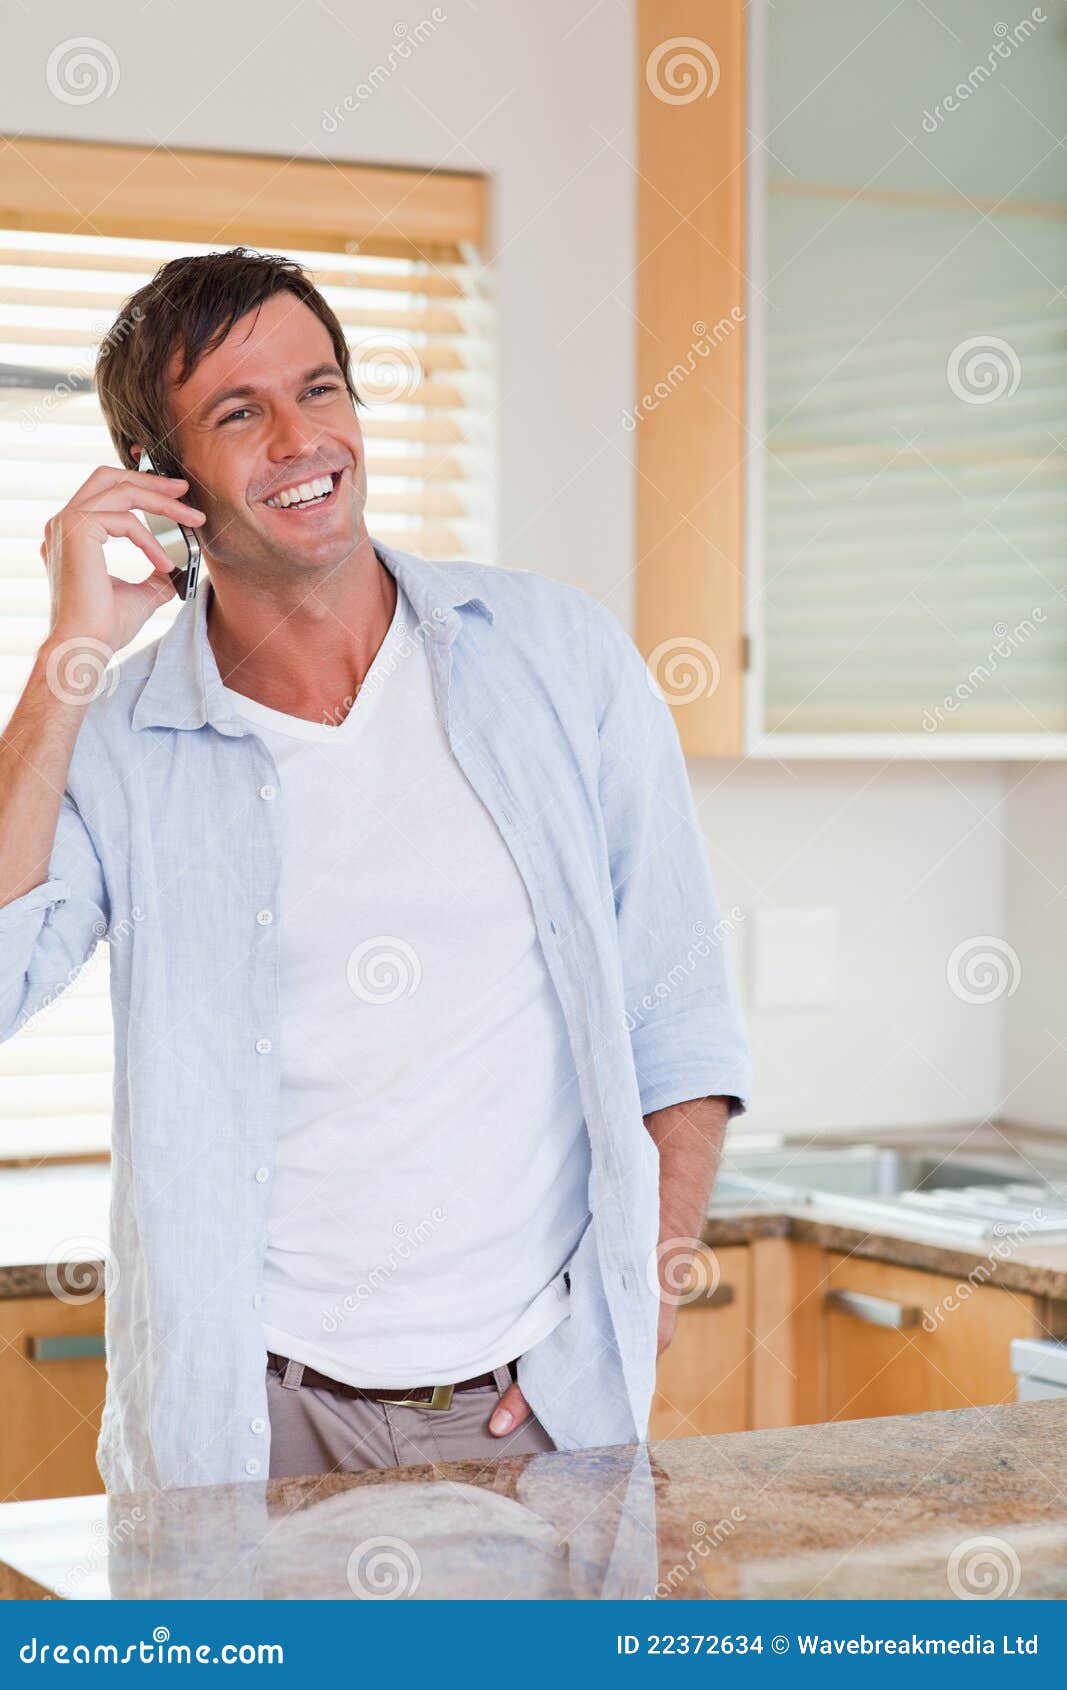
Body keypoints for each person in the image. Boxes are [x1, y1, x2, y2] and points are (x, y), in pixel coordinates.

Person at [0, 248, 751, 1492]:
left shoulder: (554, 655)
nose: (301, 440)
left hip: (534, 1409)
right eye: (238, 413)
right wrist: (67, 654)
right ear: (161, 478)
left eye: (319, 389)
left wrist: (645, 1291)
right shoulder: (121, 735)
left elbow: (677, 1004)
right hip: (246, 1423)